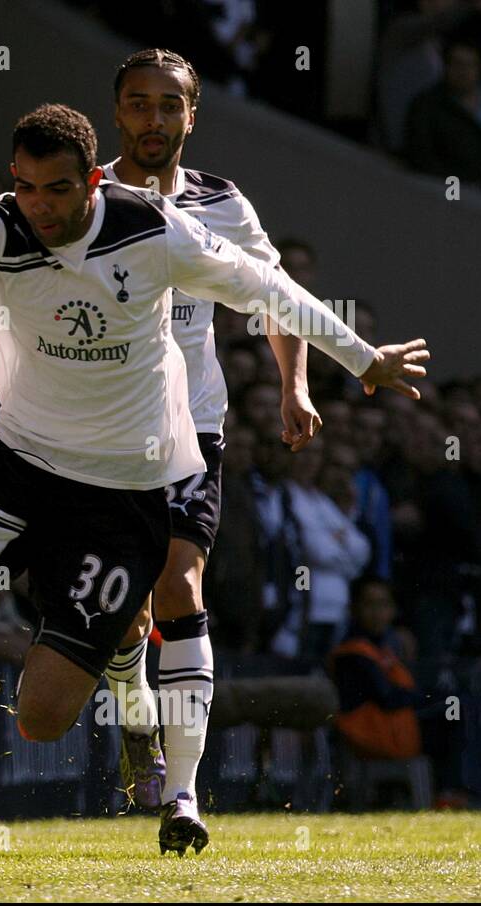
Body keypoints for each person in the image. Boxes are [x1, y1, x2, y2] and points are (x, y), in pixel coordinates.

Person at [0, 104, 428, 866]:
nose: (38, 205)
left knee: (40, 718)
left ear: (92, 181)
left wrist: (364, 359)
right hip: (15, 466)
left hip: (122, 496)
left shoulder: (155, 231)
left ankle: (124, 667)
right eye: (25, 186)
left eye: (56, 190)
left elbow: (271, 290)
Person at [97, 49, 320, 817]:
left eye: (169, 106)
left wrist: (293, 384)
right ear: (117, 112)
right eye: (138, 103)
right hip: (92, 433)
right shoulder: (80, 197)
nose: (152, 119)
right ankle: (135, 720)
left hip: (189, 425)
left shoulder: (224, 205)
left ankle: (183, 795)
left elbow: (276, 297)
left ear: (192, 117)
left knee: (179, 581)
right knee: (125, 615)